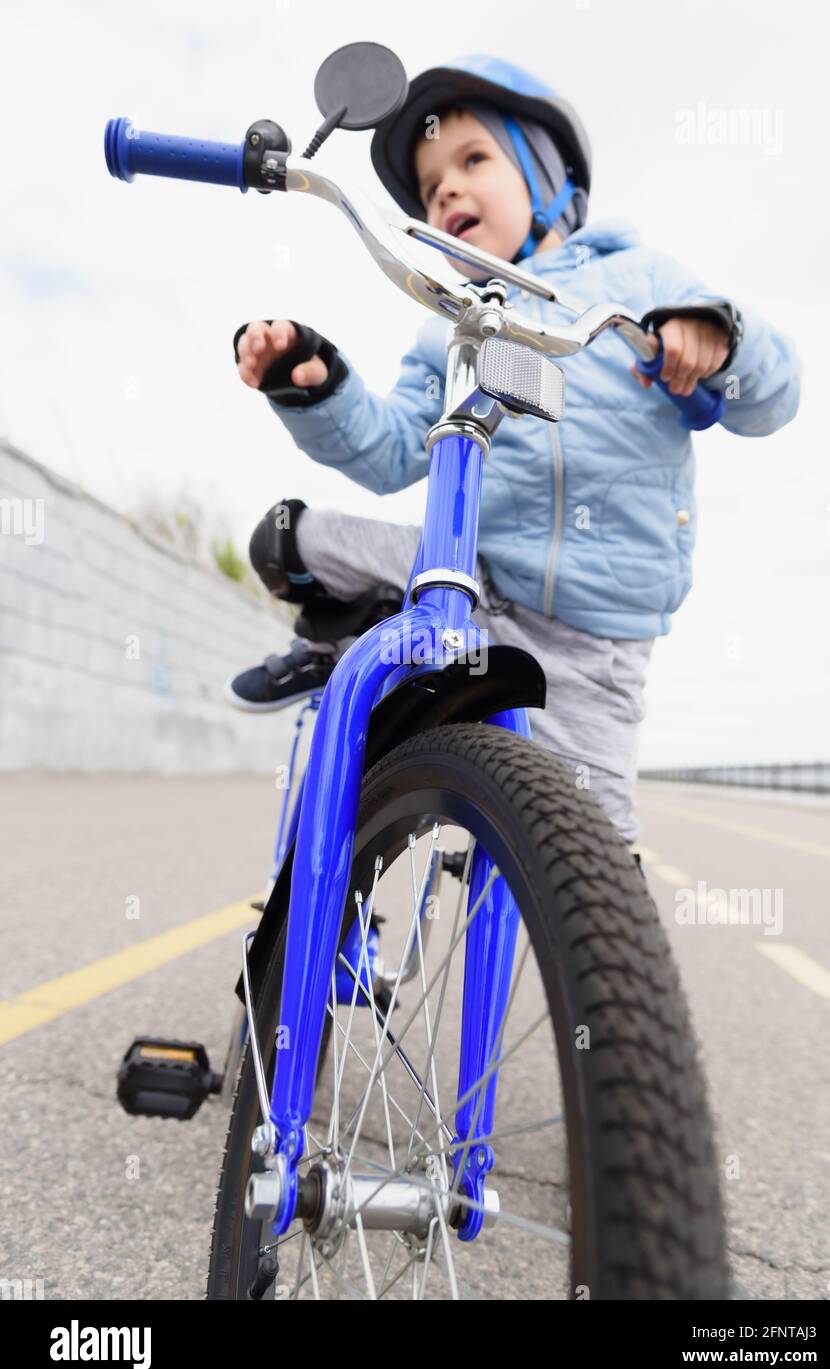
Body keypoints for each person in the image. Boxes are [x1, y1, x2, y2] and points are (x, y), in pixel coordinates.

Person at [224, 54, 801, 851]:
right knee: (290, 539)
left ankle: (360, 643)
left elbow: (772, 401)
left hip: (592, 640)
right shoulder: (448, 324)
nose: (447, 191)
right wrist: (317, 387)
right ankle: (339, 642)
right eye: (430, 188)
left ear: (544, 176)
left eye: (472, 161)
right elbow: (390, 452)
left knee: (592, 856)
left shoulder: (634, 281)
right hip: (469, 583)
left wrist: (719, 339)